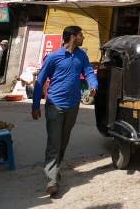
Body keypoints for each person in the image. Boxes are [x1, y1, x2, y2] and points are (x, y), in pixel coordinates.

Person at [32, 26, 97, 196]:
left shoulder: (81, 55)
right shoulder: (53, 57)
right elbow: (40, 80)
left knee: (63, 140)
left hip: (73, 105)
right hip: (55, 104)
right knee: (54, 141)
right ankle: (52, 179)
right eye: (81, 35)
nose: (83, 37)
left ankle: (54, 168)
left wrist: (93, 84)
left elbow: (88, 71)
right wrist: (35, 104)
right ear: (73, 37)